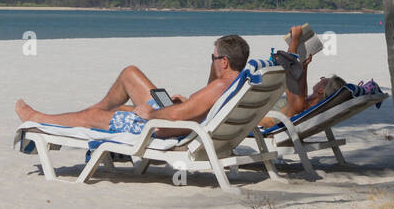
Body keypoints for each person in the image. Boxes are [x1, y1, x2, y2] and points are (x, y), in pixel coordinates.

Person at [14, 33, 251, 139]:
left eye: (213, 58)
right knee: (130, 73)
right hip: (174, 119)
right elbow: (192, 110)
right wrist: (186, 103)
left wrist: (151, 113)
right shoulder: (234, 82)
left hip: (159, 126)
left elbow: (177, 116)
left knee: (93, 117)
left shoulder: (220, 85)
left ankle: (37, 118)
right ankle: (96, 111)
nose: (211, 61)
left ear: (224, 61)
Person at [261, 24, 348, 124]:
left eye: (323, 79)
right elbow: (301, 89)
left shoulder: (300, 105)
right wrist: (304, 66)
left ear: (321, 90)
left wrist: (295, 39)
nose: (320, 79)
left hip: (255, 123)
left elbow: (288, 68)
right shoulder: (306, 105)